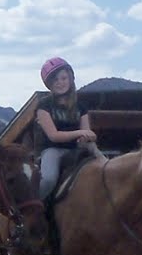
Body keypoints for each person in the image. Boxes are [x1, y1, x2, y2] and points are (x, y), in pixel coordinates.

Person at [32, 56, 97, 198]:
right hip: (52, 150)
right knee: (48, 179)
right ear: (49, 84)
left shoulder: (81, 107)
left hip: (76, 149)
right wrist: (80, 132)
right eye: (55, 80)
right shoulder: (44, 106)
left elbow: (87, 132)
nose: (60, 83)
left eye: (63, 78)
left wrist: (86, 138)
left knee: (106, 167)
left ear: (70, 79)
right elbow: (54, 136)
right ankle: (33, 209)